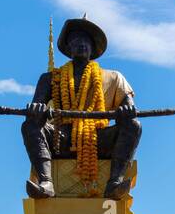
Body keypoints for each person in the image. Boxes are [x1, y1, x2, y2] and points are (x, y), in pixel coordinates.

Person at [21, 17, 141, 201]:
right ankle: (46, 182)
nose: (82, 44)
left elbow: (129, 105)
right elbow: (37, 110)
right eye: (76, 40)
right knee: (30, 125)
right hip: (62, 138)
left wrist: (126, 111)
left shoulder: (114, 77)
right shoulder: (51, 78)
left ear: (93, 48)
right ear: (68, 47)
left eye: (86, 40)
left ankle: (114, 183)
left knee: (133, 125)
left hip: (99, 138)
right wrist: (36, 110)